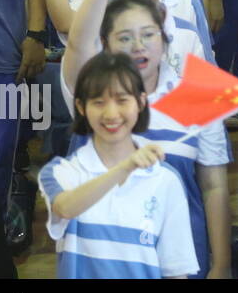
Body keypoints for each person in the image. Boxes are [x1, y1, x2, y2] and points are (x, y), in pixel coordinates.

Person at [37, 54, 198, 279]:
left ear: (141, 102)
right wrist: (125, 167)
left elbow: (176, 270)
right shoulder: (59, 172)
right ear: (81, 107)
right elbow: (65, 207)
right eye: (98, 102)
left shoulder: (166, 180)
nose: (111, 114)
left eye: (122, 100)